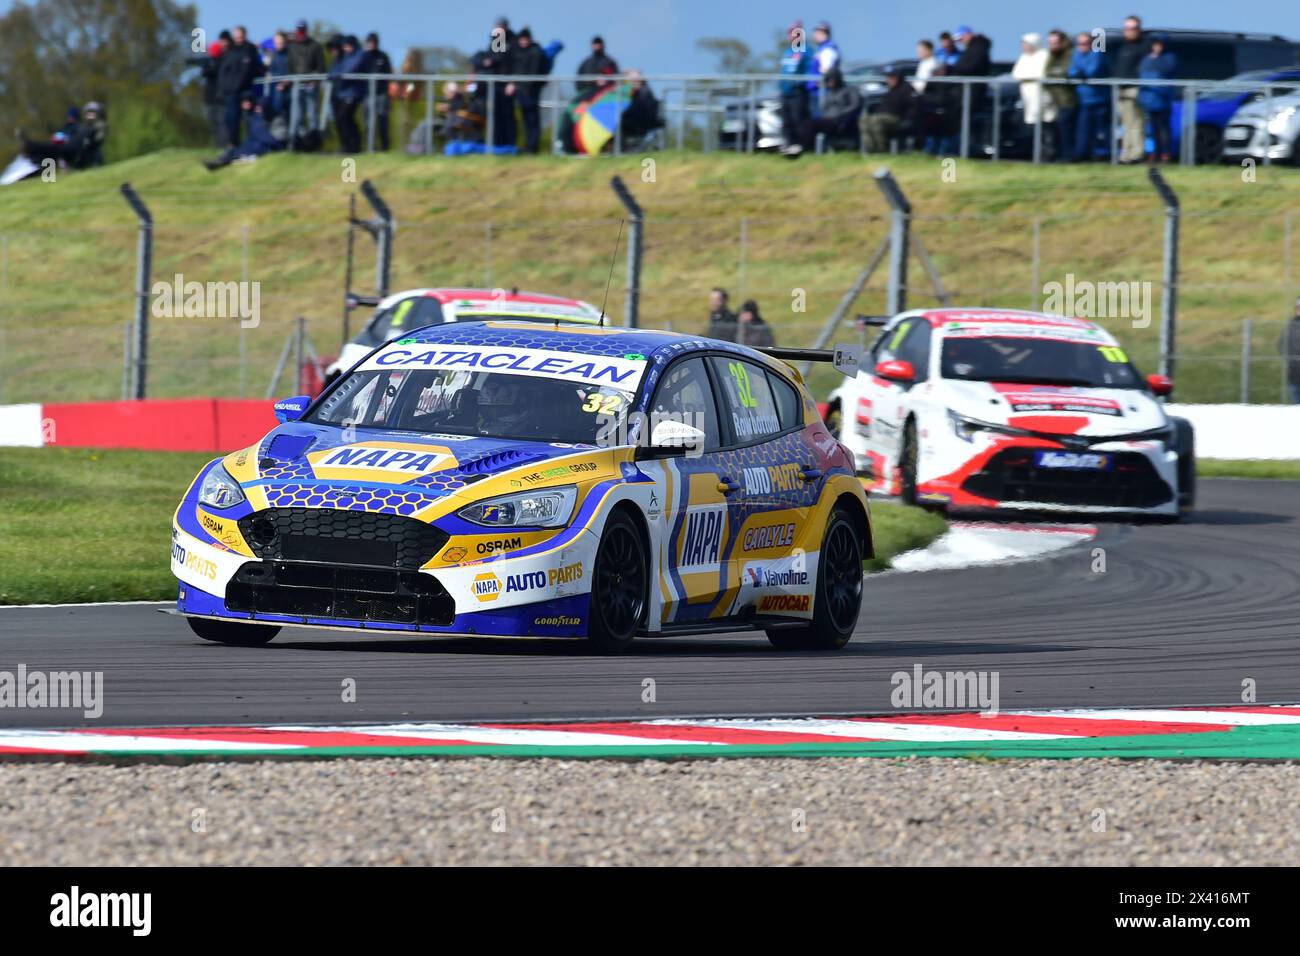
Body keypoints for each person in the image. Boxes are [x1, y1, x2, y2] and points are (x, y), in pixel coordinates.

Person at [202, 96, 287, 170]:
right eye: (258, 108)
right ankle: (220, 161)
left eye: (260, 108)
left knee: (251, 149)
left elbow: (277, 139)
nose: (258, 111)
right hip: (253, 144)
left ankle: (224, 162)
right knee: (235, 150)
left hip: (265, 146)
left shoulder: (277, 120)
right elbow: (256, 132)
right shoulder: (257, 118)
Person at [789, 66, 860, 154]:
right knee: (806, 123)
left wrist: (841, 114)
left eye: (831, 79)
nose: (829, 82)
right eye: (828, 80)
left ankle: (806, 148)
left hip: (840, 121)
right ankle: (799, 146)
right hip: (826, 120)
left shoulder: (850, 90)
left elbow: (855, 105)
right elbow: (824, 108)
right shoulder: (829, 93)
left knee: (812, 125)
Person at [1115, 15, 1151, 165]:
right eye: (1127, 28)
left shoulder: (1143, 46)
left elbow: (1145, 68)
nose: (1129, 31)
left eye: (1133, 28)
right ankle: (1126, 154)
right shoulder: (1123, 47)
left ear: (1139, 29)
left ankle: (1137, 153)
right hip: (1121, 89)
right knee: (1126, 124)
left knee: (1136, 122)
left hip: (1134, 88)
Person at [218, 26, 263, 147]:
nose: (238, 38)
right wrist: (226, 88)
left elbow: (251, 70)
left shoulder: (250, 49)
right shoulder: (230, 51)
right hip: (231, 92)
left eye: (240, 35)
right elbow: (224, 71)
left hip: (246, 91)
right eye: (236, 36)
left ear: (244, 35)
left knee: (248, 118)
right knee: (230, 119)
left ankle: (251, 143)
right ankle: (234, 143)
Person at [1069, 31, 1110, 161]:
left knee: (1102, 130)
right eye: (1079, 44)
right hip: (1084, 100)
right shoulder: (1076, 55)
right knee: (1083, 130)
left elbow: (1092, 71)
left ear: (1092, 43)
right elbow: (1072, 72)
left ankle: (1106, 154)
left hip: (1100, 100)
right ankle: (1082, 154)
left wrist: (1081, 73)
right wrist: (1080, 73)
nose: (1082, 46)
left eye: (1085, 43)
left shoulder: (1097, 54)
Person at [1138, 34, 1177, 163]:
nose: (1157, 47)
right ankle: (1155, 152)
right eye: (1155, 44)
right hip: (1149, 101)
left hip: (1163, 101)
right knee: (1152, 130)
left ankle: (1166, 154)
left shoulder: (1169, 58)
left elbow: (1166, 71)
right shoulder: (1147, 59)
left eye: (1159, 44)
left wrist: (1154, 60)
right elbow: (1142, 73)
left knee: (1164, 129)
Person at [778, 21, 812, 157]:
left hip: (798, 92)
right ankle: (788, 143)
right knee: (786, 120)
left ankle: (799, 144)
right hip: (785, 92)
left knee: (798, 119)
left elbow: (809, 70)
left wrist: (801, 84)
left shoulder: (806, 50)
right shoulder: (787, 52)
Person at [512, 27, 549, 154]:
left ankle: (533, 147)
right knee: (526, 120)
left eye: (525, 39)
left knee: (533, 120)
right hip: (522, 92)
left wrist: (527, 88)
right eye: (521, 39)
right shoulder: (520, 52)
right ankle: (528, 146)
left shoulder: (535, 52)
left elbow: (534, 73)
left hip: (531, 92)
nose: (523, 42)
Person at [288, 20, 327, 138]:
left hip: (311, 85)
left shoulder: (315, 46)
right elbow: (290, 66)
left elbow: (321, 66)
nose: (300, 33)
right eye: (299, 31)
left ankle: (313, 138)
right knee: (297, 114)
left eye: (302, 31)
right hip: (297, 84)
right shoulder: (292, 46)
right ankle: (298, 139)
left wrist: (315, 81)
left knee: (312, 113)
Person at [329, 35, 367, 153]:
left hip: (354, 93)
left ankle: (353, 144)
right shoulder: (346, 56)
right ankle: (349, 145)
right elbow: (335, 70)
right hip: (344, 93)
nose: (346, 48)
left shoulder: (360, 54)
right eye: (345, 46)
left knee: (344, 116)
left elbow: (349, 69)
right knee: (345, 118)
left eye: (348, 46)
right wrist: (333, 74)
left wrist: (335, 75)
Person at [864, 66, 914, 152]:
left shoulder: (907, 89)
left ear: (898, 78)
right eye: (888, 78)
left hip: (898, 118)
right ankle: (870, 149)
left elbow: (908, 108)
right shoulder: (890, 91)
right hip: (884, 116)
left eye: (891, 78)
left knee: (875, 120)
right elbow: (883, 106)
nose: (888, 80)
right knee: (864, 120)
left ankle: (881, 150)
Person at [1043, 29, 1076, 161]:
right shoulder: (1051, 56)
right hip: (1055, 100)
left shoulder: (1069, 54)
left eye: (1055, 42)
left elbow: (1065, 72)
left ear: (1062, 42)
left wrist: (1054, 75)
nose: (1052, 45)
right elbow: (1047, 73)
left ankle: (1068, 157)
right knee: (1057, 128)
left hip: (1068, 100)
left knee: (1066, 129)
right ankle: (1060, 155)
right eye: (1050, 42)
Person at [363, 33, 394, 150]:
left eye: (373, 42)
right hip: (367, 94)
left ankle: (384, 147)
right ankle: (369, 147)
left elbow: (389, 73)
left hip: (381, 94)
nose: (372, 44)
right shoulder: (363, 57)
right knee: (368, 123)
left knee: (383, 121)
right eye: (370, 42)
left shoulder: (383, 56)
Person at [1013, 33, 1048, 134]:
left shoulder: (1044, 55)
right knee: (1029, 118)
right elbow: (1016, 74)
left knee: (1038, 117)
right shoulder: (1024, 57)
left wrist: (1027, 76)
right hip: (1026, 93)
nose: (1024, 46)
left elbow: (1040, 74)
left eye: (1026, 44)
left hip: (1038, 92)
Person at [621, 70, 664, 143]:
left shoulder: (644, 92)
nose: (634, 82)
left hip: (642, 122)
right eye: (631, 81)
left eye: (636, 80)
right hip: (635, 121)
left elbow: (640, 110)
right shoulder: (627, 93)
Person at [1282, 297, 1300, 404]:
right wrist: (1291, 361)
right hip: (1294, 376)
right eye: (1298, 307)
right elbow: (1282, 344)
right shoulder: (1292, 324)